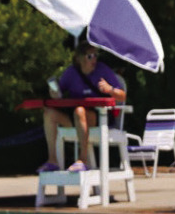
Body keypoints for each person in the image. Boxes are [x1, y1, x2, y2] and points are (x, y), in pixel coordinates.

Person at [41, 44, 127, 174]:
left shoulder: (103, 70)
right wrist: (54, 93)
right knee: (49, 113)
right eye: (89, 56)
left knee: (79, 111)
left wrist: (110, 89)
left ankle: (83, 160)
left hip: (101, 118)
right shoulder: (71, 72)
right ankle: (52, 160)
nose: (94, 59)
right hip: (76, 118)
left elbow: (122, 96)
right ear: (79, 58)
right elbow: (59, 95)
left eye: (95, 55)